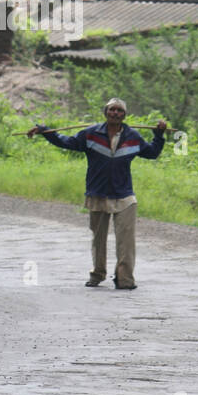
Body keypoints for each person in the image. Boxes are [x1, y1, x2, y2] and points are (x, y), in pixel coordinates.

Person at [27, 98, 167, 289]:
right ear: (105, 112)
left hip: (124, 196)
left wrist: (158, 135)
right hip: (97, 194)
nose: (115, 113)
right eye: (112, 110)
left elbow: (151, 153)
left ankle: (124, 279)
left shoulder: (132, 137)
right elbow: (66, 142)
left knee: (126, 242)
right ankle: (97, 274)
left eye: (119, 110)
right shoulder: (91, 134)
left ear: (124, 115)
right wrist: (45, 131)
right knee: (98, 238)